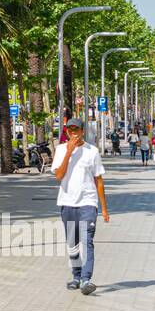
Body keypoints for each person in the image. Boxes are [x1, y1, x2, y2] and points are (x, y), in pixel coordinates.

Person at [51, 118, 109, 295]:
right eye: (70, 130)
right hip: (67, 203)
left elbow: (98, 180)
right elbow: (59, 176)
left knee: (87, 242)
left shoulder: (92, 151)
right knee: (72, 244)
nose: (73, 133)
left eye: (76, 130)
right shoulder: (61, 150)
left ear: (83, 131)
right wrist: (69, 152)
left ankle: (86, 279)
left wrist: (104, 208)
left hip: (88, 203)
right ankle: (76, 276)